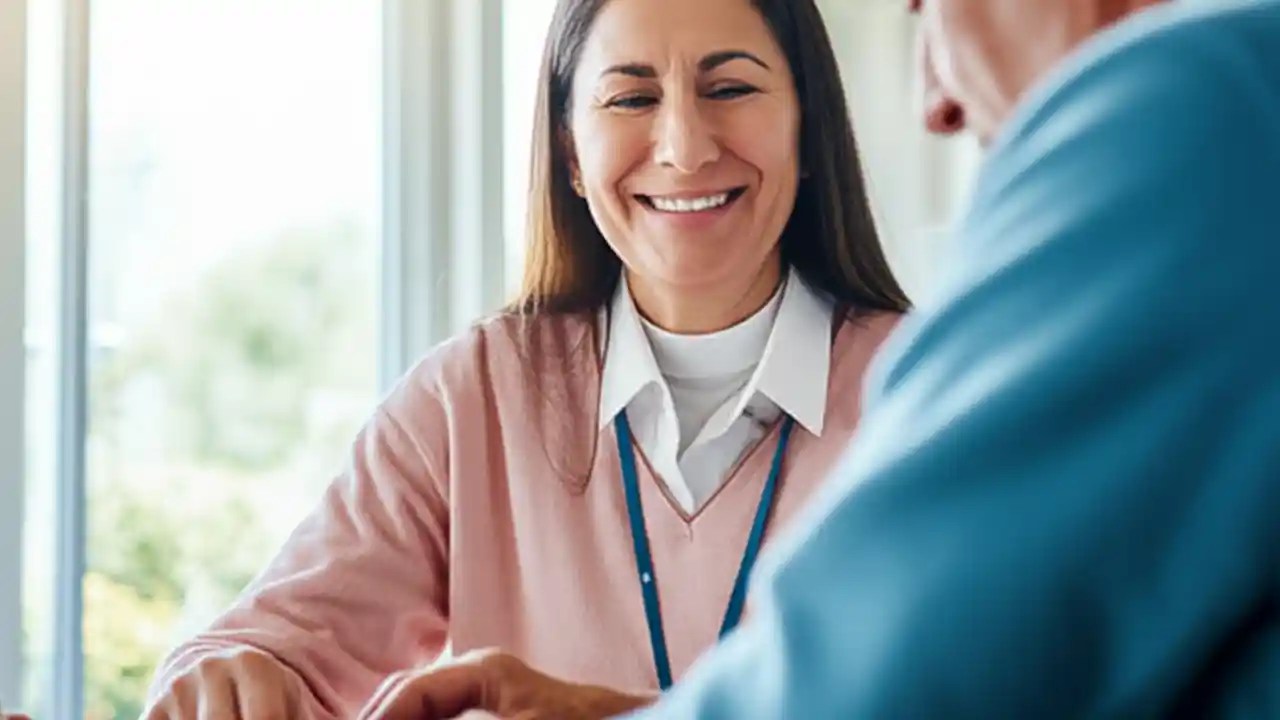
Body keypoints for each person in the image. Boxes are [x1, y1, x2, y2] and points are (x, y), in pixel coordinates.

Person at [142, 0, 910, 717]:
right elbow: (277, 645)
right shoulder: (472, 396)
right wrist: (239, 674)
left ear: (807, 132)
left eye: (731, 87)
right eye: (631, 99)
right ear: (571, 154)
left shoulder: (930, 396)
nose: (684, 147)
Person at [612, 0, 1276, 717]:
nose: (937, 103)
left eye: (930, 6)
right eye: (629, 98)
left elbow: (887, 687)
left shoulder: (1205, 105)